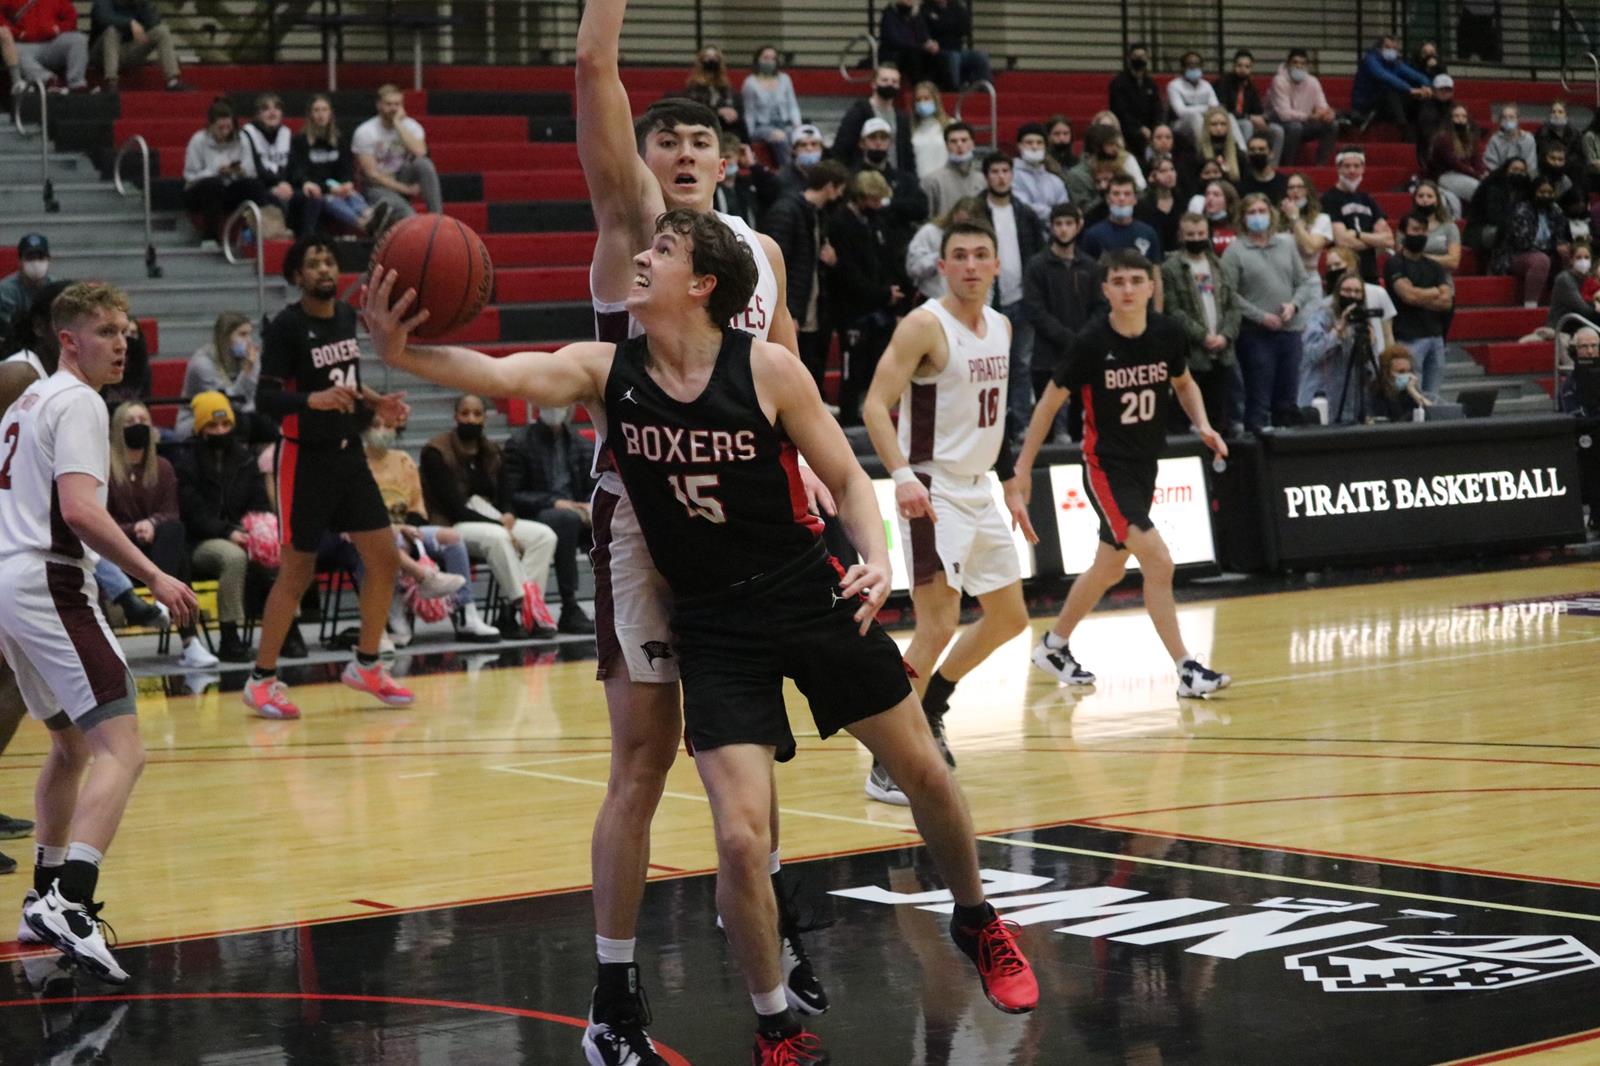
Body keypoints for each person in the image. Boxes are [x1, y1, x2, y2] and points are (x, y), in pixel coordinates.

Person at [364, 207, 1040, 1063]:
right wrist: (403, 355)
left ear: (705, 285)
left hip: (807, 595)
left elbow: (845, 477)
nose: (641, 259)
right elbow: (507, 375)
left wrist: (874, 558)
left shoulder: (768, 370)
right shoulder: (607, 369)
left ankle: (977, 919)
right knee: (739, 837)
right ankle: (775, 1029)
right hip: (715, 625)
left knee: (925, 774)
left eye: (664, 251)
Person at [574, 6, 835, 1055]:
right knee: (642, 762)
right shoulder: (635, 231)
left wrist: (820, 507)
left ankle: (762, 925)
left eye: (700, 141)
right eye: (664, 139)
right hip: (642, 522)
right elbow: (594, 64)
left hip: (747, 530)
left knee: (747, 757)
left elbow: (791, 386)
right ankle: (613, 996)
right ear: (643, 160)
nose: (681, 152)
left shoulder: (763, 250)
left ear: (730, 160)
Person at [2, 281, 199, 984]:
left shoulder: (24, 403)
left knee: (69, 746)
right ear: (68, 339)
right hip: (49, 579)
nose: (122, 343)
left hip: (10, 582)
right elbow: (81, 511)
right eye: (106, 331)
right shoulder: (79, 400)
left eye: (126, 331)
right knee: (124, 746)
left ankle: (40, 897)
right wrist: (154, 575)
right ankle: (73, 901)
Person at [860, 220, 1031, 801]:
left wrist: (1009, 482)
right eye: (960, 256)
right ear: (944, 266)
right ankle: (891, 758)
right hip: (932, 488)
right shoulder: (924, 325)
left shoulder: (1002, 326)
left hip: (978, 488)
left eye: (982, 255)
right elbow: (875, 406)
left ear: (997, 265)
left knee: (1011, 618)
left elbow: (994, 416)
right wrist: (903, 477)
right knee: (936, 625)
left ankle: (931, 705)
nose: (972, 265)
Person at [1015, 249, 1230, 696]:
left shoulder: (1167, 333)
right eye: (1119, 281)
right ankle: (1187, 668)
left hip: (1145, 466)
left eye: (1137, 280)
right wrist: (1022, 468)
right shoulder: (1092, 342)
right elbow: (1048, 404)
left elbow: (1184, 383)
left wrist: (1203, 425)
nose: (1129, 289)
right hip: (1105, 468)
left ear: (1152, 287)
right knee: (1158, 559)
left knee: (1109, 568)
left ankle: (1053, 646)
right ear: (1105, 290)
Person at [240, 236, 414, 721]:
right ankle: (261, 679)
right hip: (304, 459)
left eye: (329, 259)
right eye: (313, 260)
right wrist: (309, 401)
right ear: (297, 275)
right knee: (297, 573)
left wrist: (375, 404)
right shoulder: (286, 328)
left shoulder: (344, 318)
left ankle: (367, 664)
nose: (323, 266)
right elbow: (266, 401)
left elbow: (344, 385)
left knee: (384, 560)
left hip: (348, 456)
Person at [418, 395, 561, 637]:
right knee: (497, 537)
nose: (471, 419)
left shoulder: (492, 450)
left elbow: (505, 494)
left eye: (477, 414)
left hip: (492, 520)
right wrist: (499, 523)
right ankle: (526, 608)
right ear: (455, 416)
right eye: (465, 413)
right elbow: (454, 507)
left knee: (543, 536)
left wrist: (506, 514)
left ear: (485, 418)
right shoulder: (436, 451)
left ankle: (510, 611)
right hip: (452, 524)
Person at [360, 415, 490, 646]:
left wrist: (410, 529)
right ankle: (394, 611)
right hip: (374, 532)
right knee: (392, 544)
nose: (382, 431)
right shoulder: (356, 463)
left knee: (452, 538)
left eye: (388, 426)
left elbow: (417, 507)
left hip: (408, 528)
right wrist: (399, 531)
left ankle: (464, 610)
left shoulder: (403, 461)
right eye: (376, 425)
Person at [106, 401, 217, 669]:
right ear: (117, 429)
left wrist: (153, 524)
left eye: (143, 421)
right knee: (177, 560)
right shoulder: (105, 467)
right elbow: (100, 520)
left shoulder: (164, 467)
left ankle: (163, 604)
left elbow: (171, 513)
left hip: (156, 551)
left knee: (174, 533)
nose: (138, 427)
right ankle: (190, 640)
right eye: (130, 422)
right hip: (118, 557)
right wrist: (135, 528)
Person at [172, 391, 274, 662]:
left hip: (242, 532)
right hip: (200, 541)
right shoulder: (186, 462)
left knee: (281, 551)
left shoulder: (245, 459)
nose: (220, 430)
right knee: (233, 557)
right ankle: (230, 636)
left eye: (225, 424)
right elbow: (192, 513)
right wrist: (228, 532)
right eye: (213, 426)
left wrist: (256, 531)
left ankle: (288, 630)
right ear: (201, 429)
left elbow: (260, 503)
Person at [1222, 193, 1321, 431]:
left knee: (1287, 399)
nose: (1258, 217)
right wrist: (1260, 316)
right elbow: (1227, 294)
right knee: (1258, 399)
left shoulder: (1286, 244)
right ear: (1243, 218)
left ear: (1271, 214)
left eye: (1262, 211)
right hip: (1255, 335)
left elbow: (1305, 282)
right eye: (1252, 212)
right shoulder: (1235, 252)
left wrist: (1294, 305)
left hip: (1290, 331)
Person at [498, 405, 599, 636]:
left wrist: (588, 503)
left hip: (577, 513)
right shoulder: (519, 443)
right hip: (536, 514)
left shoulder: (580, 443)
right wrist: (552, 502)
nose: (555, 409)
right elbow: (513, 494)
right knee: (564, 518)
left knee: (607, 519)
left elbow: (594, 487)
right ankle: (569, 606)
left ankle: (612, 601)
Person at [763, 159, 850, 390]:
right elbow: (773, 265)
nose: (841, 195)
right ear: (831, 186)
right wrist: (787, 309)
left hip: (811, 301)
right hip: (793, 305)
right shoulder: (787, 211)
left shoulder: (817, 213)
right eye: (840, 188)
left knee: (811, 357)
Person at [829, 168, 903, 425]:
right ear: (860, 197)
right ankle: (849, 417)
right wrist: (883, 294)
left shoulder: (876, 222)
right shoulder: (840, 223)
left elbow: (885, 261)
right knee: (852, 370)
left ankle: (870, 414)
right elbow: (848, 273)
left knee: (875, 367)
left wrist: (889, 293)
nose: (877, 205)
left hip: (878, 308)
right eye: (873, 200)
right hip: (853, 310)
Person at [982, 153, 1043, 443]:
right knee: (988, 367)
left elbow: (1037, 256)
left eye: (1005, 170)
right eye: (995, 171)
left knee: (1020, 365)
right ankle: (992, 429)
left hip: (1021, 300)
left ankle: (1020, 426)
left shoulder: (1025, 212)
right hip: (986, 304)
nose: (1001, 176)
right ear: (986, 176)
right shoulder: (977, 212)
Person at [1162, 212, 1240, 435]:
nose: (1196, 238)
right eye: (1191, 234)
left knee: (1218, 417)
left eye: (1200, 234)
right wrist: (1202, 336)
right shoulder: (1171, 268)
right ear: (1181, 236)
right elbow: (1173, 311)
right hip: (1191, 355)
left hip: (1222, 354)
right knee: (1181, 417)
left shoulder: (1220, 266)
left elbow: (1233, 306)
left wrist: (1225, 336)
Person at [1024, 203, 1096, 432]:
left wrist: (1084, 338)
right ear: (1051, 227)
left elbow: (1101, 307)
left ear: (1078, 226)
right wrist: (1069, 339)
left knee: (1080, 425)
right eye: (1058, 224)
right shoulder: (1037, 265)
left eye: (1068, 224)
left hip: (1083, 355)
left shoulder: (1090, 265)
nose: (1064, 230)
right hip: (1047, 358)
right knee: (1047, 423)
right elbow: (1035, 310)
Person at [289, 94, 384, 239]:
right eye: (316, 110)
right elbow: (300, 173)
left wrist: (347, 183)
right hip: (319, 190)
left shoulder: (339, 140)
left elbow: (347, 167)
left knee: (351, 194)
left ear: (330, 113)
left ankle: (369, 214)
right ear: (310, 114)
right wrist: (329, 189)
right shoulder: (299, 142)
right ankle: (362, 224)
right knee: (330, 199)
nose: (321, 115)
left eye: (324, 110)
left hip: (338, 187)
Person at [1384, 211, 1454, 399]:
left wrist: (1419, 295)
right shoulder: (1395, 263)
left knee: (1433, 396)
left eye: (1423, 231)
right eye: (1415, 230)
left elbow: (1447, 301)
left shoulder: (1434, 266)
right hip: (1409, 338)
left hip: (1435, 337)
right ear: (1403, 234)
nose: (1420, 234)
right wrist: (1433, 292)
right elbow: (1408, 296)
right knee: (1412, 395)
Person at [182, 98, 273, 244]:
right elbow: (190, 176)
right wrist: (215, 171)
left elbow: (251, 172)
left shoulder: (242, 139)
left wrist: (238, 171)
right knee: (213, 185)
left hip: (231, 186)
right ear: (211, 126)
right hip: (201, 191)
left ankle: (261, 233)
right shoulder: (198, 140)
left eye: (228, 127)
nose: (225, 131)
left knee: (254, 186)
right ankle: (210, 237)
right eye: (220, 128)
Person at [353, 84, 442, 221]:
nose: (393, 108)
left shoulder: (411, 126)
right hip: (377, 187)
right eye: (388, 104)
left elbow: (420, 152)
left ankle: (437, 218)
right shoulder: (365, 132)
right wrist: (406, 189)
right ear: (379, 105)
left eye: (397, 104)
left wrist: (398, 124)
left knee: (424, 164)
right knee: (409, 214)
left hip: (402, 176)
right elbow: (372, 175)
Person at [1302, 269, 1380, 423]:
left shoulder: (1362, 322)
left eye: (1357, 292)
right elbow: (1312, 354)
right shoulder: (1321, 316)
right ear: (1338, 293)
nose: (1352, 296)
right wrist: (1337, 332)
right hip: (1323, 398)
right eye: (1347, 290)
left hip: (1353, 403)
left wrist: (1369, 345)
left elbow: (1371, 372)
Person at [1493, 174, 1571, 308]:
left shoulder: (1556, 210)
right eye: (1542, 192)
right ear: (1534, 192)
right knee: (1541, 260)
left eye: (1549, 192)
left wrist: (1562, 245)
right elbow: (1523, 242)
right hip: (1516, 255)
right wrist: (1553, 247)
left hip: (1548, 252)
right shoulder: (1522, 210)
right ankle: (1530, 305)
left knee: (1571, 254)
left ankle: (1564, 303)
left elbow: (1561, 234)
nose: (1546, 196)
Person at [176, 311, 258, 439]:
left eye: (250, 334)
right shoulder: (202, 363)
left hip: (237, 417)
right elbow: (226, 404)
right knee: (244, 423)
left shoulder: (249, 358)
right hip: (198, 421)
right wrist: (247, 371)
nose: (249, 341)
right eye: (243, 335)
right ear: (225, 337)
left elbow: (253, 399)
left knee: (265, 425)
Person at [1322, 147, 1393, 283]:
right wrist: (1374, 241)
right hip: (1342, 275)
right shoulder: (1329, 198)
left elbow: (1388, 240)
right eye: (1347, 166)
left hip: (1370, 272)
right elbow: (1343, 241)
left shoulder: (1367, 199)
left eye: (1356, 166)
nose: (1352, 171)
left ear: (1363, 168)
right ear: (1338, 168)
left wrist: (1357, 235)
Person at [87, 0, 188, 92]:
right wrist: (130, 23)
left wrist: (146, 6)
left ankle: (173, 81)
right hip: (102, 54)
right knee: (112, 31)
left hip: (128, 51)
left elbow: (154, 23)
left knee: (162, 30)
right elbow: (104, 18)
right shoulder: (103, 2)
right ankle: (111, 83)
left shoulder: (141, 3)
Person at [832, 63, 913, 173]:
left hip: (894, 176)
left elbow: (907, 154)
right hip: (863, 178)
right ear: (874, 84)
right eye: (884, 80)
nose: (890, 84)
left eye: (894, 82)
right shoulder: (858, 112)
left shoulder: (902, 117)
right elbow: (842, 149)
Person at [240, 93, 300, 239]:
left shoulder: (286, 133)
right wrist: (276, 185)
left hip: (283, 185)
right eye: (266, 109)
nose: (272, 112)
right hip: (258, 185)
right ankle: (278, 238)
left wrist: (287, 184)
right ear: (257, 114)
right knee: (274, 198)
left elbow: (293, 165)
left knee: (308, 197)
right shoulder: (247, 134)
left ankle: (305, 239)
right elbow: (253, 168)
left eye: (277, 108)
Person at [906, 194, 984, 301]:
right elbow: (913, 268)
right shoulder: (930, 232)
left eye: (967, 224)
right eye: (959, 221)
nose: (960, 227)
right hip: (931, 299)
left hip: (965, 302)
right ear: (953, 215)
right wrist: (941, 255)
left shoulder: (980, 241)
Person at [1268, 48, 1338, 166]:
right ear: (1288, 64)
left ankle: (1320, 166)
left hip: (1304, 122)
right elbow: (1284, 114)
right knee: (1295, 127)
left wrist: (1327, 114)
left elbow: (1322, 106)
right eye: (1295, 63)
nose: (1299, 66)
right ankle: (1288, 167)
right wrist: (1309, 116)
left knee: (1332, 125)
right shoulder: (1279, 80)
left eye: (1302, 63)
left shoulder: (1313, 81)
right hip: (1281, 122)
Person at [1352, 35, 1430, 138]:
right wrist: (1409, 89)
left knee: (1420, 96)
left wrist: (1427, 86)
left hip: (1386, 103)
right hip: (1366, 102)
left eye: (1394, 49)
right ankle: (1404, 128)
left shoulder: (1395, 63)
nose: (1391, 51)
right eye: (1387, 47)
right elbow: (1386, 77)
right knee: (1391, 90)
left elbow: (1415, 75)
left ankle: (1421, 129)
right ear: (1379, 48)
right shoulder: (1370, 60)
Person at [1213, 48, 1283, 163]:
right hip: (1231, 122)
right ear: (1233, 66)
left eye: (1247, 67)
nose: (1243, 70)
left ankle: (1272, 166)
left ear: (1251, 68)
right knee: (1247, 125)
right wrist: (1249, 117)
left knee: (1277, 131)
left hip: (1249, 121)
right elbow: (1224, 110)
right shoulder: (1223, 82)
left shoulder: (1251, 87)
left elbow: (1258, 111)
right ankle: (1245, 163)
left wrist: (1263, 119)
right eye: (1239, 66)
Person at [4, 0, 89, 93]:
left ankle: (76, 84)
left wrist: (58, 29)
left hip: (53, 42)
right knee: (14, 51)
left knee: (78, 39)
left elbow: (71, 18)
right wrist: (19, 34)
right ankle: (48, 81)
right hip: (25, 45)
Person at [1081, 172, 1164, 263]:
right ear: (1108, 199)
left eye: (1127, 194)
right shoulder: (1093, 235)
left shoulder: (1148, 233)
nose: (1121, 198)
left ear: (1135, 199)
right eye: (1116, 194)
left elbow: (1156, 271)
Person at [741, 45, 801, 169]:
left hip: (785, 124)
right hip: (761, 127)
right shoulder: (750, 83)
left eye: (773, 58)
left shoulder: (785, 79)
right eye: (766, 58)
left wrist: (798, 125)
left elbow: (792, 105)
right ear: (758, 60)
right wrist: (750, 135)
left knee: (797, 135)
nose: (769, 61)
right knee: (780, 137)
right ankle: (788, 171)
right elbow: (749, 112)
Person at [1108, 42, 1164, 161]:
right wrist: (1139, 128)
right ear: (1129, 58)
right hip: (1128, 128)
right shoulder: (1118, 83)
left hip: (1149, 129)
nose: (1139, 60)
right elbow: (1120, 111)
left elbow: (1157, 108)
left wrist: (1156, 127)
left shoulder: (1151, 84)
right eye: (1136, 57)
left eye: (1142, 57)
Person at [921, 121, 986, 219]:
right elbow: (927, 219)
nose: (959, 145)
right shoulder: (932, 181)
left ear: (972, 144)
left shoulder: (983, 180)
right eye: (953, 141)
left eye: (964, 140)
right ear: (947, 146)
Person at [1426, 103, 1485, 208]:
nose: (1460, 119)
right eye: (1456, 116)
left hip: (1466, 174)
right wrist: (1477, 175)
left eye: (1463, 116)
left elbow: (1477, 159)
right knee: (1479, 188)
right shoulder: (1443, 138)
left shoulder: (1470, 137)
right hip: (1446, 175)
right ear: (1450, 119)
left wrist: (1483, 174)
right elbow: (1454, 163)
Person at [1011, 122, 1069, 229]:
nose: (1034, 147)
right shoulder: (1010, 175)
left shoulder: (1056, 181)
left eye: (1039, 142)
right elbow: (1023, 207)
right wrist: (1052, 213)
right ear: (1019, 146)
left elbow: (1064, 212)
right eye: (1029, 142)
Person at [922, 0, 990, 90]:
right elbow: (927, 30)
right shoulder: (926, 9)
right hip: (938, 50)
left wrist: (942, 24)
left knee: (981, 56)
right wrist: (949, 25)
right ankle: (956, 89)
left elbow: (965, 29)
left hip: (958, 48)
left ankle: (984, 88)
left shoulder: (957, 8)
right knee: (954, 57)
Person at [0, 233, 52, 348]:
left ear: (49, 260)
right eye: (30, 258)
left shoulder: (54, 288)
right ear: (20, 261)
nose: (36, 263)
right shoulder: (5, 290)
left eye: (40, 257)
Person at [685, 44, 745, 142]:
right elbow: (696, 110)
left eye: (715, 57)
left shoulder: (725, 86)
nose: (711, 60)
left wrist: (734, 112)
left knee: (739, 124)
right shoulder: (694, 86)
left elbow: (734, 104)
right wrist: (719, 111)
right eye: (707, 57)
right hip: (705, 124)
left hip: (726, 125)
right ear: (701, 61)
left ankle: (748, 150)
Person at [1168, 51, 1223, 149]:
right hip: (1180, 124)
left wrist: (1208, 110)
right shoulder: (1174, 86)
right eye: (1190, 65)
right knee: (1195, 117)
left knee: (1228, 117)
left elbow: (1215, 108)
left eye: (1197, 65)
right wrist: (1206, 109)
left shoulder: (1206, 85)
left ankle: (1240, 151)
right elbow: (1181, 112)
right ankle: (1205, 151)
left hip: (1206, 121)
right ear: (1183, 68)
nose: (1194, 68)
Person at [1280, 173, 1333, 272]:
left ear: (1308, 190)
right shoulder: (1278, 219)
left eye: (1300, 187)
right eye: (1291, 187)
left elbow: (1310, 248)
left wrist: (1294, 218)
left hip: (1307, 275)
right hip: (1283, 275)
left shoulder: (1321, 219)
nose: (1295, 191)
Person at [880, 0, 936, 89]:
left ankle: (941, 88)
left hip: (915, 50)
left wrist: (930, 43)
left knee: (936, 54)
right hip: (895, 53)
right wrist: (920, 46)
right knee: (913, 54)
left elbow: (924, 34)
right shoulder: (890, 13)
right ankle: (919, 87)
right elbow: (894, 40)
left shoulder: (916, 14)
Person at [1367, 344, 1430, 421]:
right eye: (1401, 372)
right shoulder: (1375, 393)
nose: (1408, 376)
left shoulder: (1408, 392)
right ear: (1386, 372)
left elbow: (1432, 412)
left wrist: (1413, 392)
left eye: (1409, 371)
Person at [1137, 153, 1184, 254]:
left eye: (1172, 169)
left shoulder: (1181, 201)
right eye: (1163, 171)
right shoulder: (1143, 204)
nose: (1170, 174)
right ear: (1151, 176)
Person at [1412, 180, 1462, 272]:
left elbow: (1454, 262)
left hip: (1442, 279)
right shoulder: (1407, 226)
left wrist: (1423, 258)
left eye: (1430, 196)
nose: (1425, 200)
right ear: (1415, 200)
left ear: (1437, 201)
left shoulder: (1450, 227)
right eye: (1420, 196)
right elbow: (1403, 258)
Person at [1548, 239, 1593, 334]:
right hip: (1562, 327)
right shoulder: (1564, 279)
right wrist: (1595, 305)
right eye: (1579, 258)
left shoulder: (1590, 278)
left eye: (1587, 257)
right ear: (1571, 260)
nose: (1583, 261)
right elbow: (1583, 309)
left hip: (1583, 324)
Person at [909, 80, 950, 178]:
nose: (922, 102)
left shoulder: (949, 125)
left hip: (944, 182)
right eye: (918, 100)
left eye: (926, 98)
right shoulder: (910, 129)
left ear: (935, 100)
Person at [1483, 103, 1538, 176]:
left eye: (1511, 117)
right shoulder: (1495, 140)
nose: (1507, 120)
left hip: (1523, 178)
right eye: (1504, 117)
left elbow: (1531, 165)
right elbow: (1491, 164)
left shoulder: (1528, 139)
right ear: (1500, 120)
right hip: (1501, 178)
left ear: (1518, 119)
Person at [1193, 178, 1240, 257]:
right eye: (1207, 194)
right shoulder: (1200, 225)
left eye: (1216, 195)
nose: (1210, 198)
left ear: (1228, 200)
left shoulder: (1239, 224)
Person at [1195, 107, 1242, 184]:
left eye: (1223, 124)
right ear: (1207, 126)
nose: (1219, 128)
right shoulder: (1199, 152)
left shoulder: (1237, 152)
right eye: (1214, 124)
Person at [1237, 133, 1287, 203]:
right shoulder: (1242, 185)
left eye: (1261, 149)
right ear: (1247, 155)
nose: (1257, 152)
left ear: (1271, 154)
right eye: (1252, 150)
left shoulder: (1284, 183)